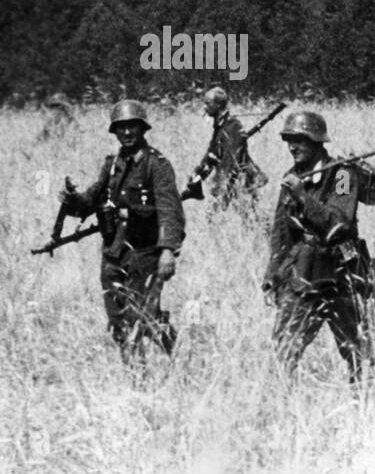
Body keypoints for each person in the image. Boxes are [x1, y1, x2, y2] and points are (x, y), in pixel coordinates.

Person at [58, 100, 184, 360]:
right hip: (114, 253)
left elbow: (170, 211)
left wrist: (167, 251)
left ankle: (151, 367)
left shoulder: (156, 165)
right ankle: (147, 355)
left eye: (132, 127)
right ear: (114, 131)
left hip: (144, 253)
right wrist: (73, 201)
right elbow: (92, 200)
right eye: (121, 128)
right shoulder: (112, 164)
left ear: (142, 129)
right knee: (117, 319)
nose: (127, 133)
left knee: (137, 317)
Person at [261, 111, 375, 382]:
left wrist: (303, 197)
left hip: (340, 272)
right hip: (302, 271)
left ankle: (366, 402)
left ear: (316, 141)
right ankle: (286, 404)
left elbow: (340, 223)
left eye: (299, 140)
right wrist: (272, 274)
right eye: (289, 140)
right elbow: (281, 230)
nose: (292, 146)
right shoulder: (292, 175)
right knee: (285, 346)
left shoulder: (343, 175)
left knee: (357, 349)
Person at [194, 87, 266, 207]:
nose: (204, 107)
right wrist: (198, 175)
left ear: (217, 105)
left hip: (240, 182)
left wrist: (221, 188)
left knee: (249, 217)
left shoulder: (232, 126)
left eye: (208, 103)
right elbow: (212, 153)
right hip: (230, 182)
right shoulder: (220, 126)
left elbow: (231, 161)